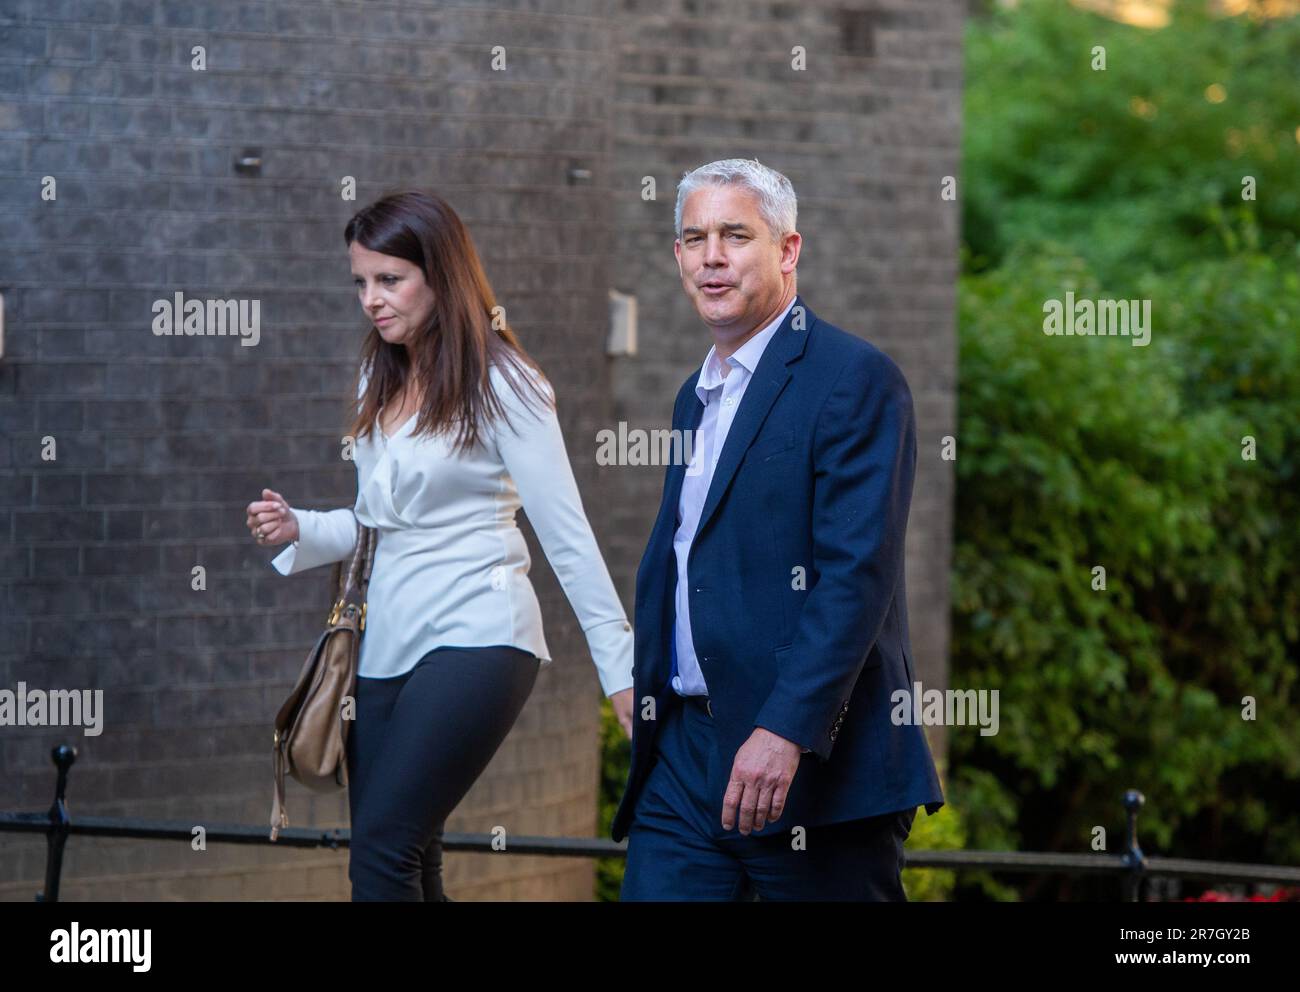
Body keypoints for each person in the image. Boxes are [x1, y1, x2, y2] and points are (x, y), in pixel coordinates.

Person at [245, 189, 634, 901]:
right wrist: (303, 526)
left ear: (441, 273)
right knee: (410, 856)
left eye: (389, 280)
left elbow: (567, 537)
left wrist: (622, 672)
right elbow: (378, 522)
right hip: (386, 640)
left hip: (481, 636)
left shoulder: (507, 383)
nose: (371, 298)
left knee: (382, 854)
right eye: (360, 282)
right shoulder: (379, 372)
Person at [613, 159, 945, 900]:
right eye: (694, 238)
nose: (712, 256)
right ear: (677, 256)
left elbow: (856, 577)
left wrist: (785, 730)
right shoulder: (692, 398)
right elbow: (681, 562)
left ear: (788, 250)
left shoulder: (854, 378)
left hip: (812, 769)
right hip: (684, 761)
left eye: (736, 234)